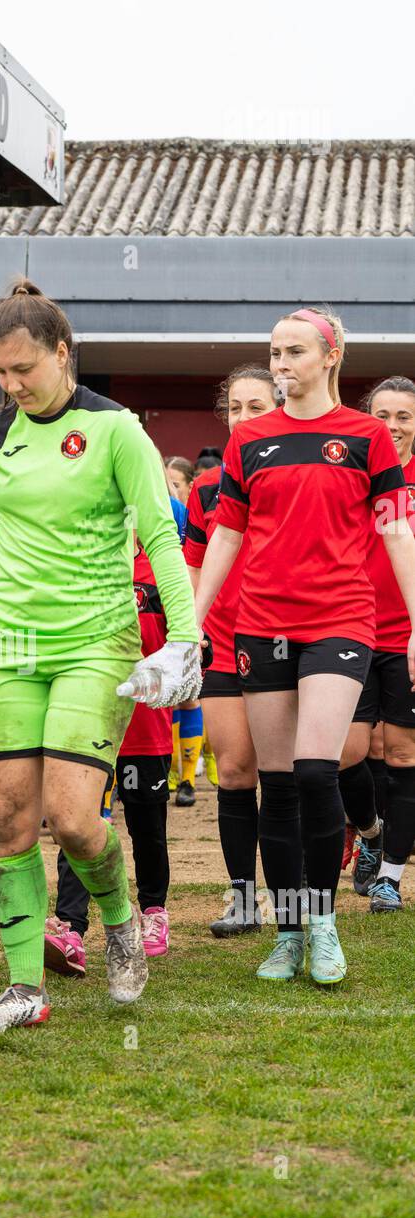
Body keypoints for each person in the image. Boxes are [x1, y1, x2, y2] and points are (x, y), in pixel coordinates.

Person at [0, 279, 200, 1032]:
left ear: (63, 353)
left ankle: (119, 920)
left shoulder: (117, 431)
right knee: (9, 821)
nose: (11, 387)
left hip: (94, 641)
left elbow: (160, 536)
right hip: (8, 643)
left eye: (24, 371)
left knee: (75, 821)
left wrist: (184, 636)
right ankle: (23, 990)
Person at [194, 306, 415, 986]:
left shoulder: (367, 436)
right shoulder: (249, 441)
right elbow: (227, 535)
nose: (281, 363)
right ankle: (288, 930)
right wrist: (192, 622)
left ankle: (322, 921)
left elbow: (397, 532)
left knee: (318, 770)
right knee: (279, 784)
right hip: (261, 624)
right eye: (275, 352)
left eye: (293, 352)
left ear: (330, 356)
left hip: (343, 620)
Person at [45, 536, 176, 972]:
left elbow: (184, 641)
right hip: (88, 719)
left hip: (144, 725)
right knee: (77, 822)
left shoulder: (162, 570)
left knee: (146, 824)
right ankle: (71, 928)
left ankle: (153, 911)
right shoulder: (77, 563)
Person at [185, 365, 278, 936]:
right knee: (237, 772)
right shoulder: (206, 487)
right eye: (236, 408)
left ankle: (291, 896)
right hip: (222, 638)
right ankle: (244, 896)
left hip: (283, 635)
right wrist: (190, 627)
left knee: (287, 774)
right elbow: (193, 561)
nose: (244, 419)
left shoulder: (300, 473)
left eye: (257, 407)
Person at [337, 377, 415, 911]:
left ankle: (389, 875)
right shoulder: (353, 474)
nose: (392, 426)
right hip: (353, 629)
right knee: (349, 752)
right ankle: (369, 830)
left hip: (407, 635)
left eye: (404, 416)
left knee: (402, 751)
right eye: (382, 414)